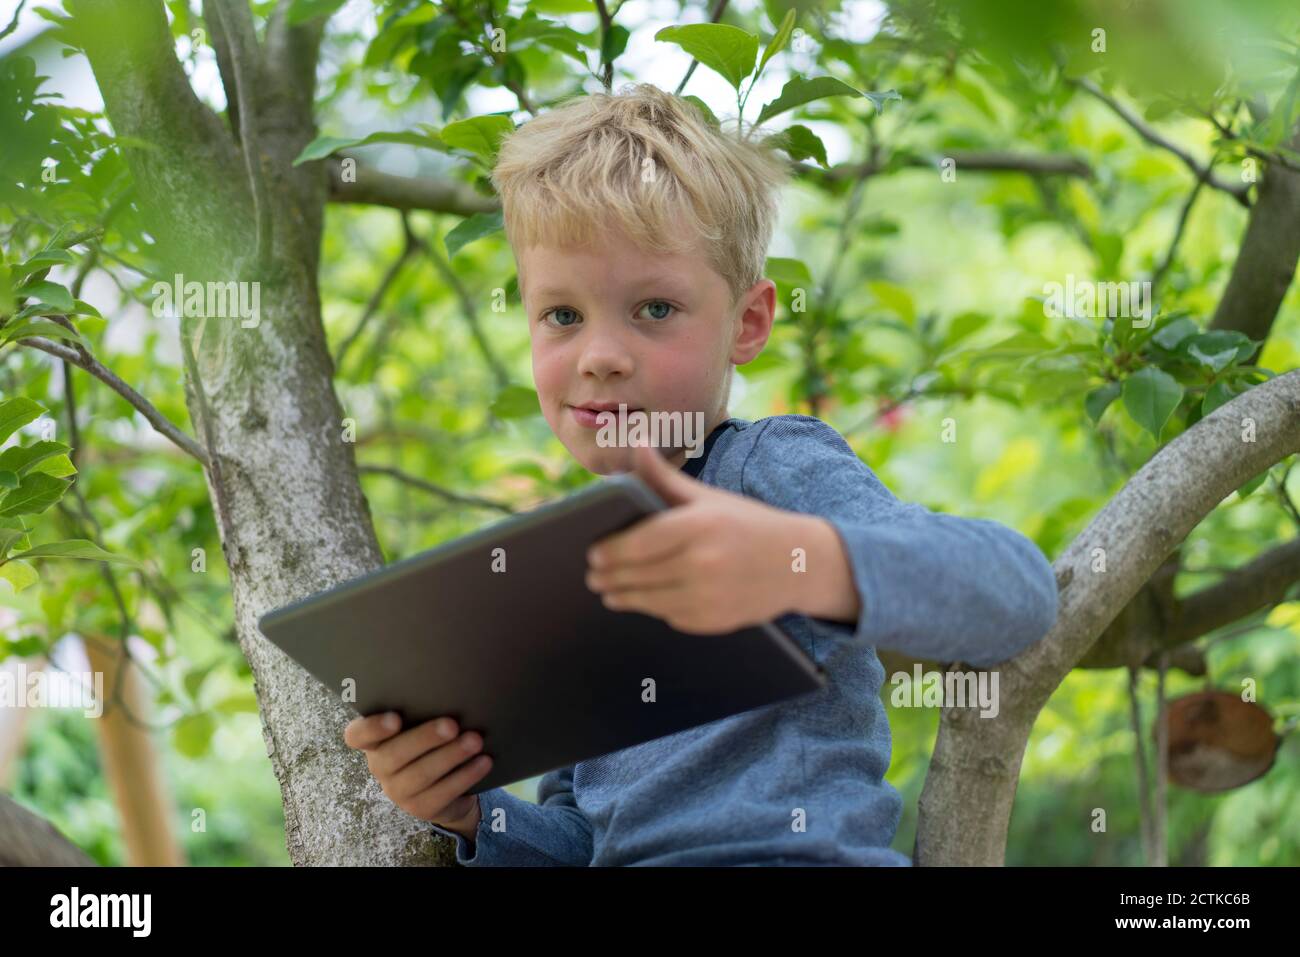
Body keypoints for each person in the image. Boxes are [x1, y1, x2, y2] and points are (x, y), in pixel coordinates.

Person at [343, 83, 1058, 866]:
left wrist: (804, 561)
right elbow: (586, 842)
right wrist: (473, 813)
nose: (600, 355)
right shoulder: (580, 567)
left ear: (746, 322)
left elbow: (1015, 589)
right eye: (563, 315)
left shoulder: (768, 469)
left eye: (653, 309)